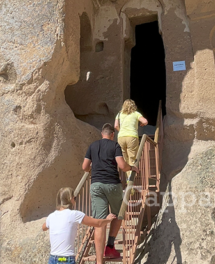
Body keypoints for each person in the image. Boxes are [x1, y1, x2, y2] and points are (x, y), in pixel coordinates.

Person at [82, 123, 136, 262]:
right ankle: (110, 246)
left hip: (96, 185)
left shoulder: (93, 146)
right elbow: (123, 166)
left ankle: (99, 261)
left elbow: (84, 167)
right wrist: (133, 168)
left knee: (99, 222)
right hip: (112, 184)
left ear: (102, 133)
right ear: (112, 135)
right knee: (118, 214)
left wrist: (92, 171)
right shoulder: (115, 146)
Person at [42, 187, 115, 264]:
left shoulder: (51, 216)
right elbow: (98, 223)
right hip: (66, 259)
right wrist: (108, 220)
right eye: (75, 198)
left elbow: (44, 227)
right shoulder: (74, 214)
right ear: (71, 199)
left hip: (53, 258)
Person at [114, 99, 148, 170]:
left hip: (121, 137)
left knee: (124, 158)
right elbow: (145, 121)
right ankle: (131, 178)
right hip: (132, 136)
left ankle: (127, 177)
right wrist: (142, 124)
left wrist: (121, 131)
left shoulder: (119, 114)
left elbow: (116, 126)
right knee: (132, 158)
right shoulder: (136, 113)